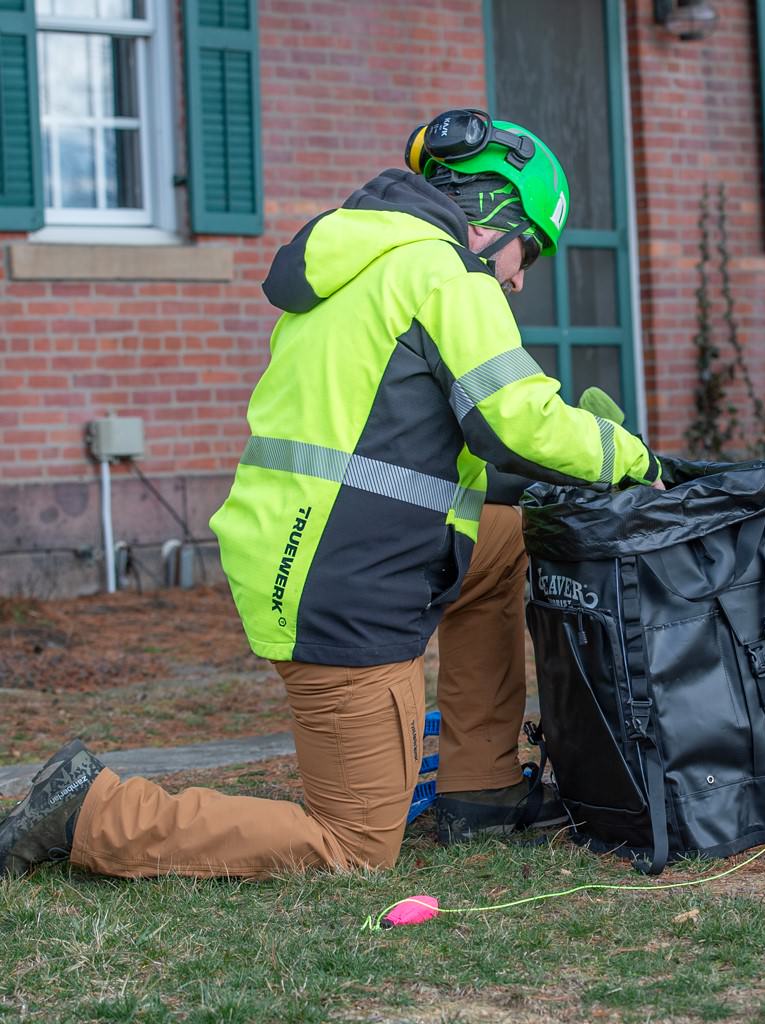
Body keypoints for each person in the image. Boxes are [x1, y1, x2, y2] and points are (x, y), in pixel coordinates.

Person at [0, 110, 661, 880]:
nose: (519, 277)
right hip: (343, 588)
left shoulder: (365, 264)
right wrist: (631, 458)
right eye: (529, 251)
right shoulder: (445, 274)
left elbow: (407, 433)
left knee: (510, 540)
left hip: (318, 551)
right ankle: (91, 812)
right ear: (492, 216)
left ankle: (481, 789)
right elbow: (516, 422)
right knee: (353, 845)